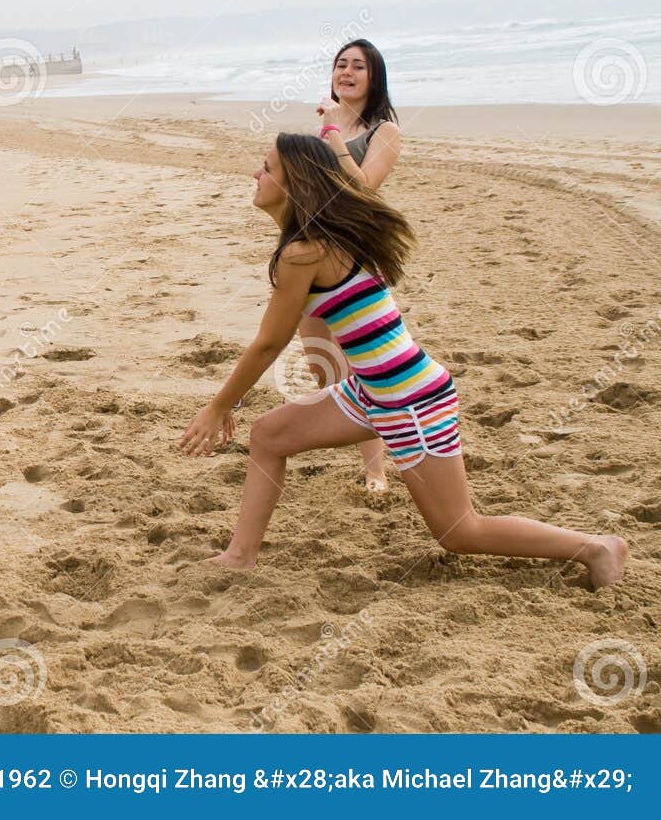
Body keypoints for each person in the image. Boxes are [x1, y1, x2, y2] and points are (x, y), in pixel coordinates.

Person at [176, 133, 628, 588]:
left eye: (267, 167)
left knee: (459, 530)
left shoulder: (304, 251)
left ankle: (595, 546)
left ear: (297, 184)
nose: (257, 174)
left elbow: (268, 344)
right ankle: (239, 556)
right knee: (269, 436)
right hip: (372, 390)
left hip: (411, 399)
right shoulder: (322, 239)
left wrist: (219, 407)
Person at [302, 38, 404, 493]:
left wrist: (333, 136)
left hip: (354, 257)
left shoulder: (385, 132)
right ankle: (346, 435)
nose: (346, 72)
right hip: (311, 254)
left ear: (373, 76)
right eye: (340, 64)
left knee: (362, 366)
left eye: (357, 66)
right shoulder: (326, 122)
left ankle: (376, 468)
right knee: (323, 367)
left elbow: (363, 185)